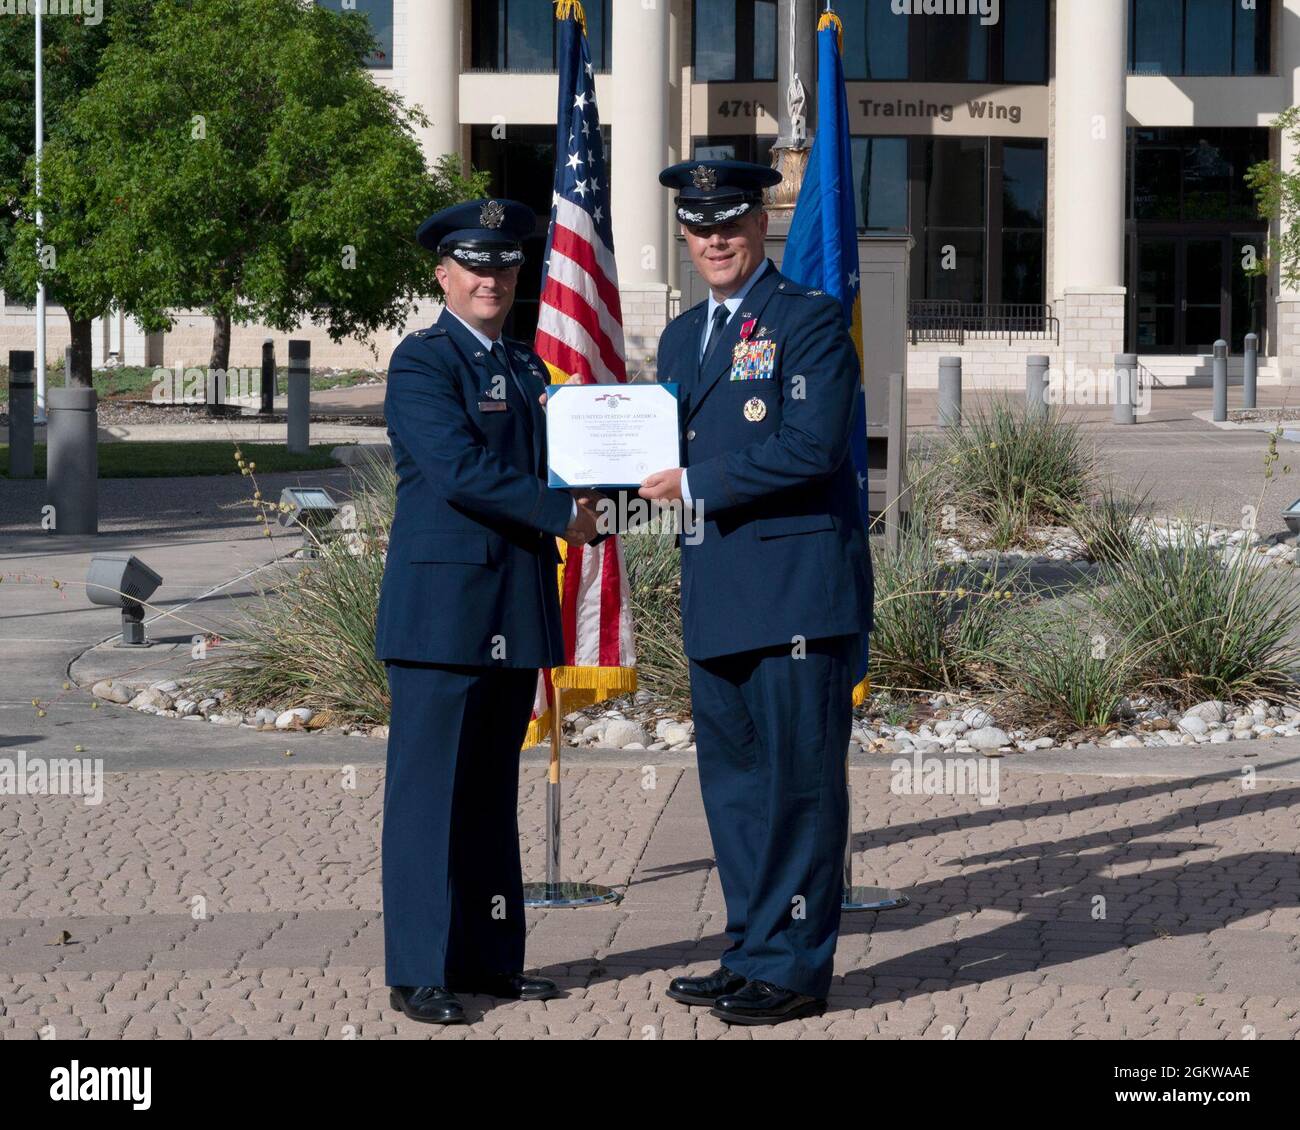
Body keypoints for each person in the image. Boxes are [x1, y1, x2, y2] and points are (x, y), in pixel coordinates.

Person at [639, 160, 874, 1025]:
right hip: (717, 594)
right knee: (735, 789)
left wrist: (693, 481)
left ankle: (795, 970)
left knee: (800, 790)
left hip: (796, 598)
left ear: (762, 223)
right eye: (698, 227)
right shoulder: (678, 337)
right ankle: (750, 949)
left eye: (729, 223)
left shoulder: (808, 322)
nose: (714, 240)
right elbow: (654, 456)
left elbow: (813, 449)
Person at [374, 198, 598, 1024]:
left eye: (505, 266)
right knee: (430, 798)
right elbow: (459, 470)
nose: (492, 280)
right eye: (475, 265)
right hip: (440, 616)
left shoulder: (530, 369)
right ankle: (420, 971)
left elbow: (568, 462)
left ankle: (491, 960)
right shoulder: (421, 363)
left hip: (511, 605)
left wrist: (607, 492)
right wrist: (558, 512)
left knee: (486, 797)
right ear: (443, 273)